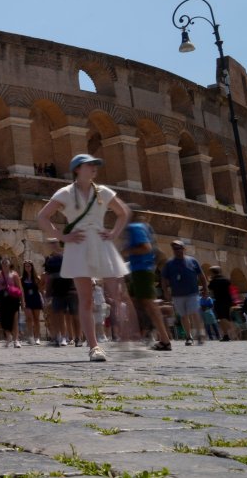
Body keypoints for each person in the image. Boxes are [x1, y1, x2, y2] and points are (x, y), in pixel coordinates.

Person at [37, 154, 131, 362]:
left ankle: (127, 337)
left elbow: (122, 212)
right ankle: (94, 346)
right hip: (78, 244)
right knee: (86, 299)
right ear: (77, 169)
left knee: (116, 294)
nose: (94, 168)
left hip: (100, 241)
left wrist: (114, 233)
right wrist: (62, 236)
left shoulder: (103, 192)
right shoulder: (66, 193)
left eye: (95, 165)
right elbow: (42, 216)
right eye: (90, 165)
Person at [121, 208, 172, 350]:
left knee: (149, 305)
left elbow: (146, 247)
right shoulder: (143, 227)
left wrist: (126, 251)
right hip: (142, 270)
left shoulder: (134, 227)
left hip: (141, 270)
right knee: (139, 303)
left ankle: (163, 338)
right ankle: (149, 333)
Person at [160, 240, 206, 346]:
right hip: (177, 295)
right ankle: (188, 337)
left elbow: (201, 276)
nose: (177, 250)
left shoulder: (193, 261)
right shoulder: (169, 264)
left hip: (192, 293)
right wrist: (165, 291)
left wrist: (205, 289)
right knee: (184, 316)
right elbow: (164, 279)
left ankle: (199, 334)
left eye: (179, 248)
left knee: (194, 312)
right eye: (175, 249)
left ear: (184, 249)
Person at [42, 239, 77, 347]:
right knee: (56, 313)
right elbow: (48, 277)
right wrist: (47, 292)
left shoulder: (66, 257)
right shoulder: (49, 260)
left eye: (54, 243)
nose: (52, 245)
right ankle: (59, 336)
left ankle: (69, 336)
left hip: (68, 288)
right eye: (50, 243)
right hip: (56, 290)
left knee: (70, 315)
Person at [0, 259, 23, 348]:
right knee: (3, 318)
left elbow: (20, 288)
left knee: (14, 319)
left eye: (6, 263)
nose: (5, 264)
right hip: (2, 298)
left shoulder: (14, 274)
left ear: (9, 264)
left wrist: (23, 301)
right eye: (3, 263)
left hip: (13, 298)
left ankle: (16, 340)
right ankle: (8, 336)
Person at [206, 266, 236, 341]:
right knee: (227, 317)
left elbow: (209, 288)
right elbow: (232, 289)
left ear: (213, 273)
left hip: (220, 301)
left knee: (221, 318)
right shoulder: (226, 279)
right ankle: (227, 335)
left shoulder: (214, 281)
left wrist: (209, 280)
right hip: (228, 301)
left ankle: (230, 331)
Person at [19, 260, 45, 345]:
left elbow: (40, 289)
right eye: (26, 266)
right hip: (27, 299)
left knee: (36, 319)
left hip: (35, 298)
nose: (27, 268)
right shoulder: (22, 279)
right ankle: (30, 337)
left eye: (29, 266)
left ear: (32, 267)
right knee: (29, 318)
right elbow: (21, 291)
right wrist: (22, 301)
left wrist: (44, 300)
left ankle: (37, 337)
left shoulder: (37, 278)